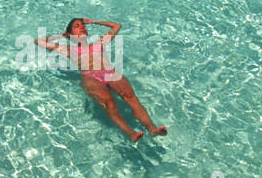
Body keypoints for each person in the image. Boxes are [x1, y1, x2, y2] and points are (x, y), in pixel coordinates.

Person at [36, 17, 166, 142]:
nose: (82, 27)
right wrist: (62, 35)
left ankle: (152, 128)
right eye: (77, 26)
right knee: (110, 103)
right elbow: (38, 41)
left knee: (131, 98)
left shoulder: (99, 43)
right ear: (70, 34)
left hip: (109, 72)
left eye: (83, 26)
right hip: (90, 77)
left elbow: (117, 26)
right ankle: (131, 133)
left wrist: (94, 22)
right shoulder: (68, 49)